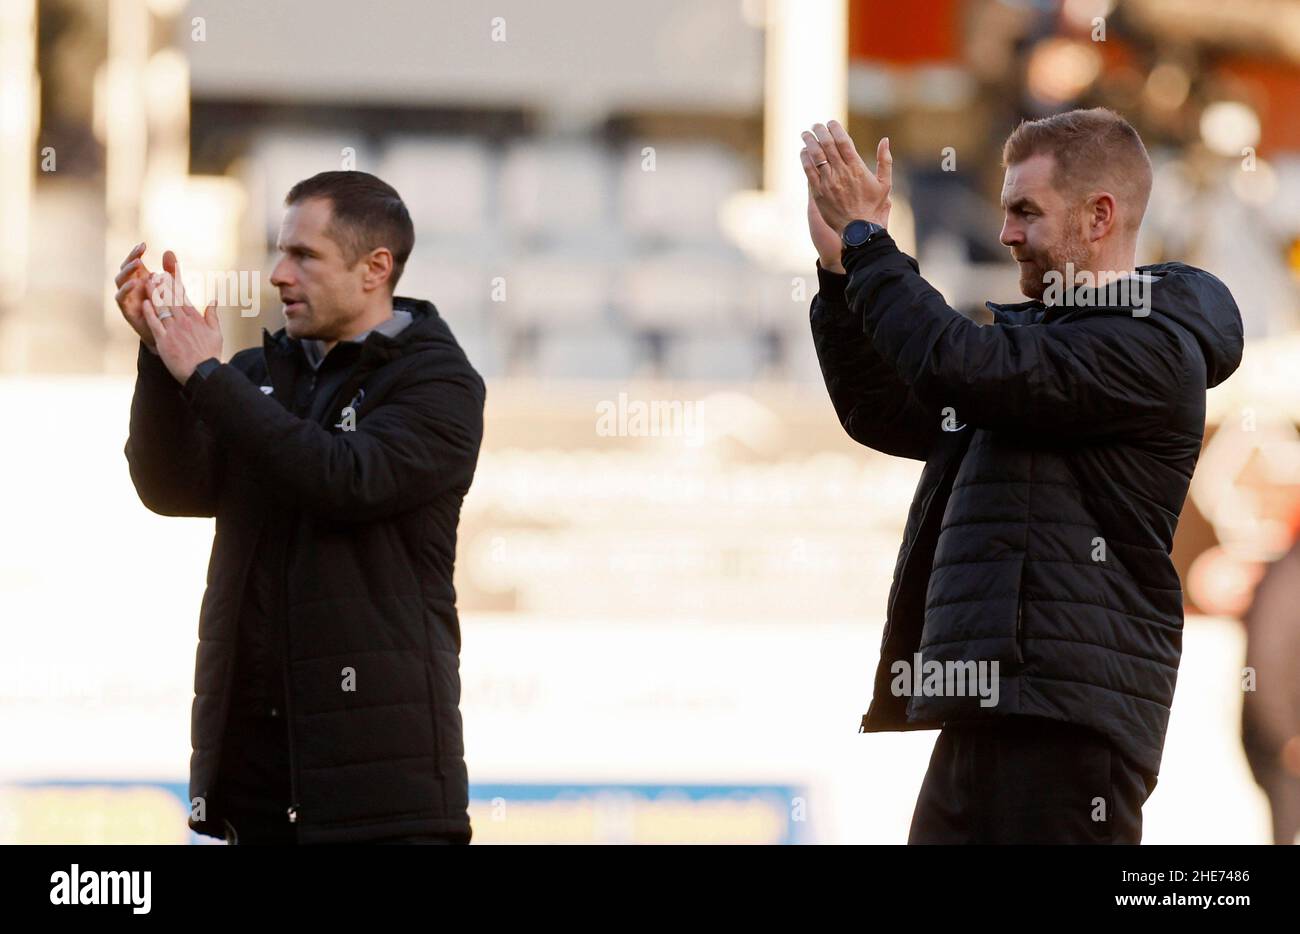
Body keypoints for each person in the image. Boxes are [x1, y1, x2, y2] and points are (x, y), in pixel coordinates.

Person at [804, 108, 1244, 843]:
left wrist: (872, 247)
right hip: (989, 713)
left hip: (1068, 727)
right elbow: (884, 410)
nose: (1005, 232)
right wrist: (841, 271)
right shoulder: (1033, 350)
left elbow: (961, 368)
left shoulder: (1153, 348)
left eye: (1025, 211)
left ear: (1099, 216)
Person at [118, 171, 485, 844]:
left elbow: (340, 479)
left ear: (375, 268)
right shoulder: (257, 376)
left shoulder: (439, 384)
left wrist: (206, 377)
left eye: (304, 256)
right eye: (278, 251)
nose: (279, 274)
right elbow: (173, 489)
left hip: (383, 806)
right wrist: (162, 362)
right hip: (258, 792)